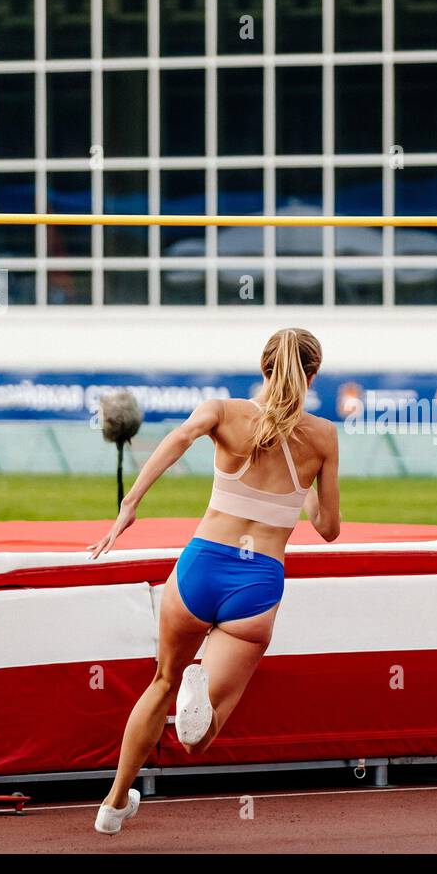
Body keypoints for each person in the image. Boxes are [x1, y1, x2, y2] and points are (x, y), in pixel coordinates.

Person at [87, 328, 340, 833]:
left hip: (201, 567)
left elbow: (177, 441)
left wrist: (129, 505)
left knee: (160, 682)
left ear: (263, 366)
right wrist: (304, 489)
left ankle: (114, 805)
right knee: (197, 736)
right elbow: (329, 529)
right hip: (256, 583)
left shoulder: (223, 411)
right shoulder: (323, 436)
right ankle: (194, 700)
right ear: (312, 374)